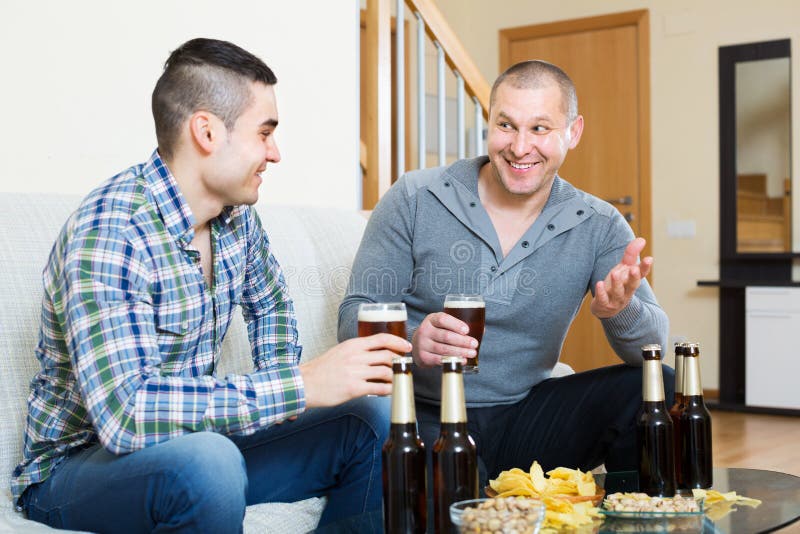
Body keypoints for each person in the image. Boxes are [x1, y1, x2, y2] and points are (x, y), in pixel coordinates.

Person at [12, 38, 410, 533]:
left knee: (374, 417)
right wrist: (296, 386)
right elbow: (126, 416)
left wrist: (281, 385)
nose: (275, 152)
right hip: (79, 469)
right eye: (264, 133)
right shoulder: (112, 230)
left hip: (202, 443)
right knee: (209, 461)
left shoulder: (236, 218)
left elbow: (272, 306)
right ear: (206, 131)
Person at [338, 60, 672, 487]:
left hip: (527, 415)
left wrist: (620, 311)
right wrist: (411, 340)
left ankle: (638, 519)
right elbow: (353, 317)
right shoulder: (415, 197)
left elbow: (653, 348)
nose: (519, 147)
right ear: (489, 122)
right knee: (455, 486)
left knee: (656, 386)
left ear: (573, 132)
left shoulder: (599, 223)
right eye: (506, 125)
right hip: (425, 414)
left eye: (540, 128)